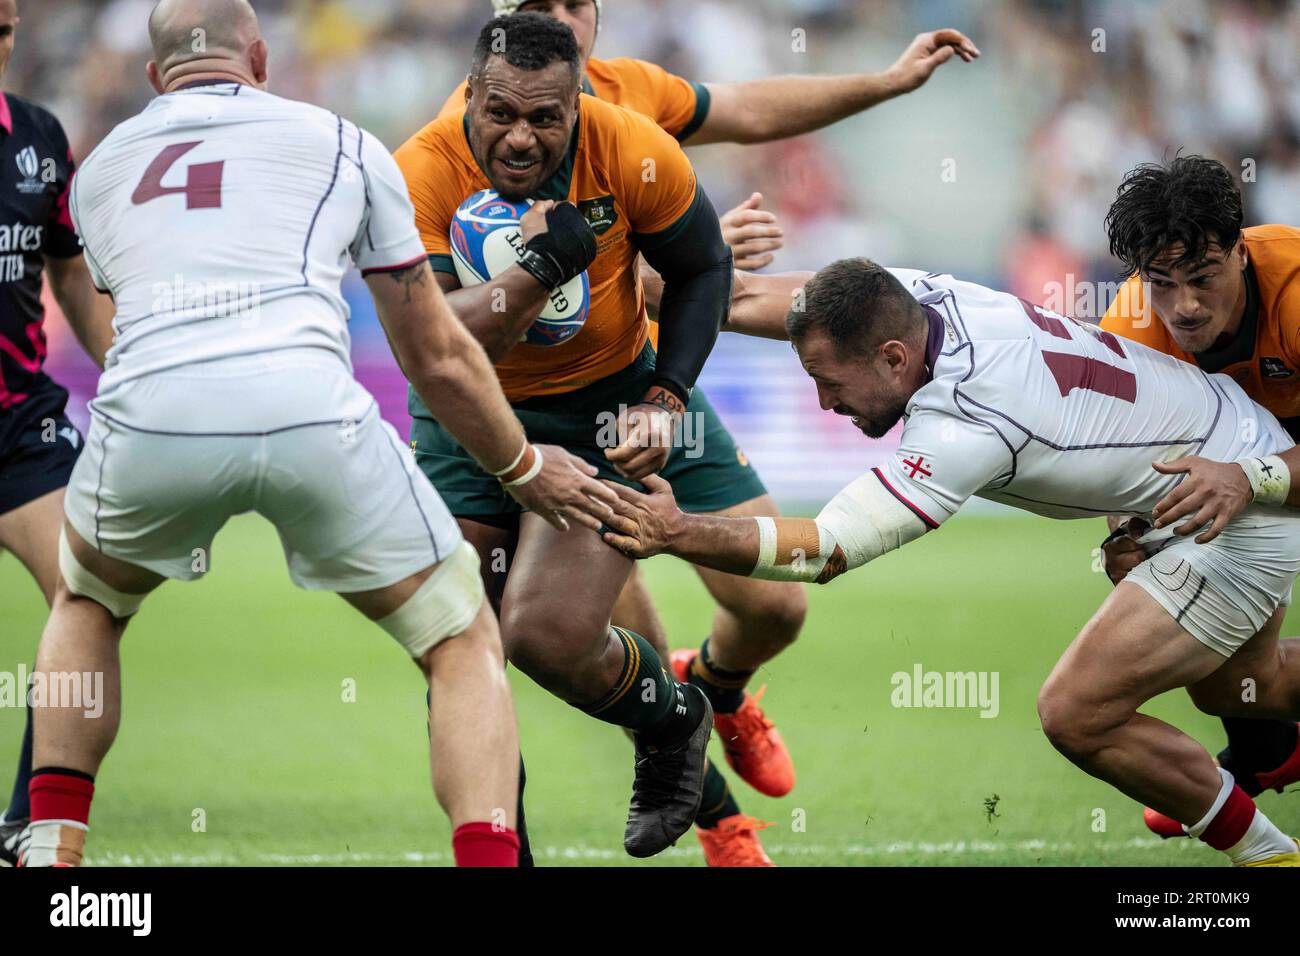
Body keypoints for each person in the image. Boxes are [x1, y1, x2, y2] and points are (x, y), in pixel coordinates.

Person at [19, 0, 615, 868]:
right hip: (308, 409)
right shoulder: (341, 141)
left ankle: (51, 855)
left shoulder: (99, 170)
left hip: (152, 413)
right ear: (261, 58)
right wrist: (522, 468)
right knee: (457, 637)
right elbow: (436, 354)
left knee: (85, 603)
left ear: (154, 78)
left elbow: (122, 306)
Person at [434, 5, 978, 846]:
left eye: (573, 4)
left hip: (647, 384)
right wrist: (608, 267)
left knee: (773, 608)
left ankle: (714, 690)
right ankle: (716, 814)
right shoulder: (465, 135)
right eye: (535, 5)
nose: (556, 17)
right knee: (530, 639)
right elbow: (455, 323)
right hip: (530, 410)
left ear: (594, 22)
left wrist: (888, 80)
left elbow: (751, 113)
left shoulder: (633, 101)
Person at [604, 257, 1300, 867]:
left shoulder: (968, 423)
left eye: (829, 381)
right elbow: (742, 294)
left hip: (1232, 512)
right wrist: (604, 277)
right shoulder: (911, 295)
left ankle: (1266, 855)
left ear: (895, 359)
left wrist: (675, 531)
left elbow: (823, 551)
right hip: (1216, 450)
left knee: (1078, 713)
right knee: (1243, 689)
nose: (825, 402)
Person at [396, 12, 739, 859]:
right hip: (464, 418)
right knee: (458, 651)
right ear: (470, 94)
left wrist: (664, 396)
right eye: (501, 113)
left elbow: (704, 267)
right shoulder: (417, 172)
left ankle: (672, 719)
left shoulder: (633, 150)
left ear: (578, 105)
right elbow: (441, 340)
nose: (521, 137)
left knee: (545, 639)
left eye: (546, 119)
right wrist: (542, 267)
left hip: (600, 414)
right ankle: (500, 853)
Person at [1095, 156, 1300, 837]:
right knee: (1221, 680)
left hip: (1266, 450)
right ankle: (1271, 750)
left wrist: (1251, 478)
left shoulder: (1296, 293)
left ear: (1241, 253)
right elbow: (1127, 467)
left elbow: (1246, 477)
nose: (1183, 305)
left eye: (1203, 278)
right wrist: (1129, 533)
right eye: (1162, 283)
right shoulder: (1130, 336)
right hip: (1239, 448)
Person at [0, 0, 117, 866]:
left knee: (89, 594)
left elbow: (70, 268)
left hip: (20, 429)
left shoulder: (38, 136)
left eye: (2, 32)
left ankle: (26, 824)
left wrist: (130, 378)